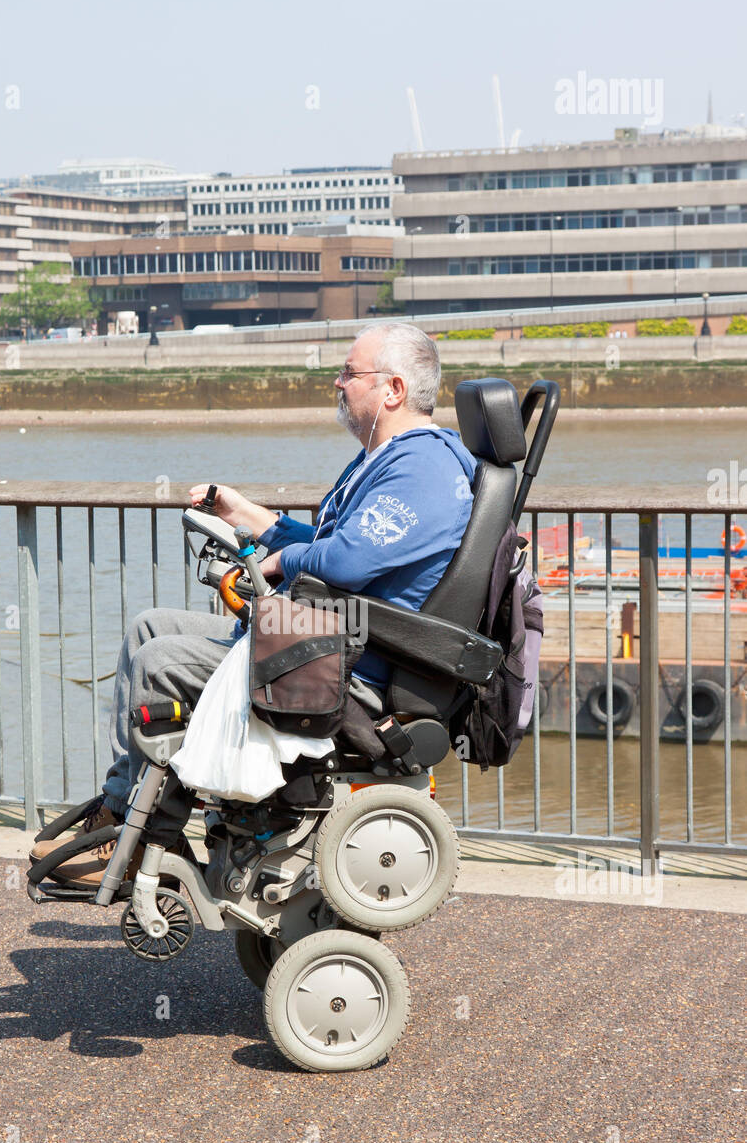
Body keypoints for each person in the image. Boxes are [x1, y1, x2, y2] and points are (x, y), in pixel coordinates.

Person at [30, 322, 477, 886]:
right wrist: (246, 516)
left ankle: (143, 838)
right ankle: (123, 804)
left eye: (348, 373)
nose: (337, 383)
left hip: (352, 664)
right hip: (325, 635)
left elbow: (348, 563)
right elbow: (327, 546)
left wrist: (279, 564)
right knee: (150, 628)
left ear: (392, 389)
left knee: (160, 662)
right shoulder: (388, 458)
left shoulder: (424, 467)